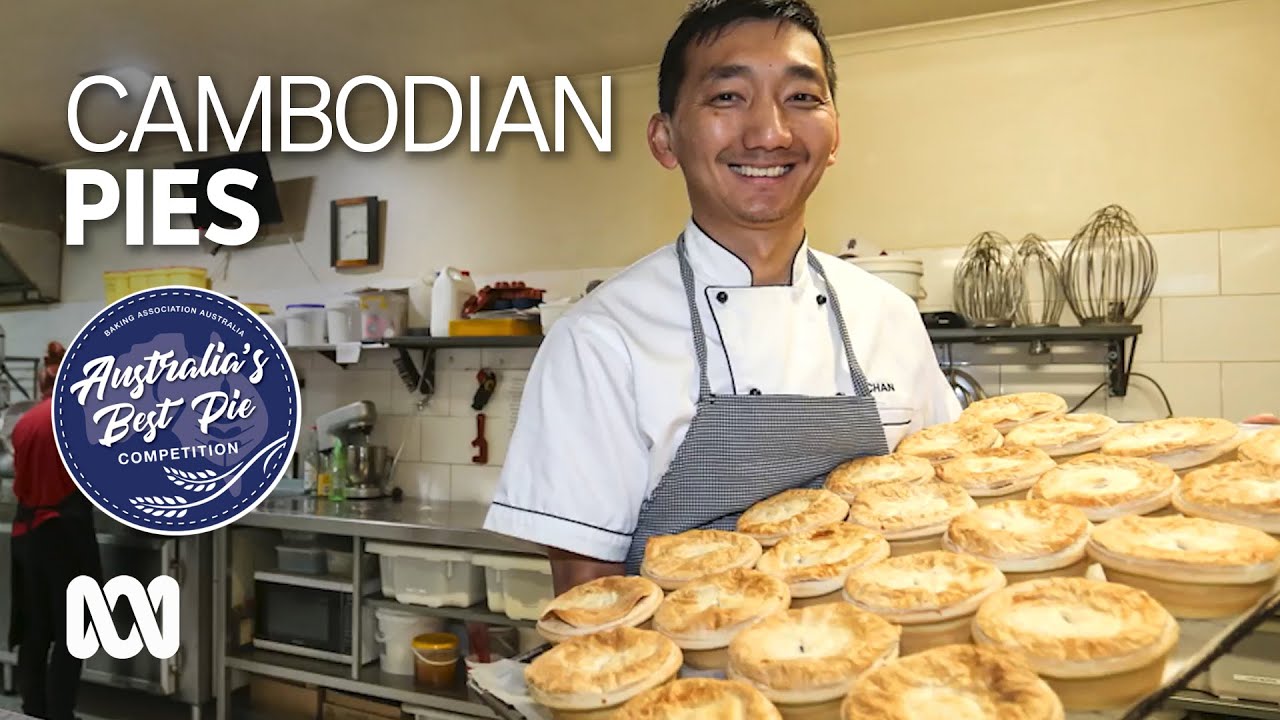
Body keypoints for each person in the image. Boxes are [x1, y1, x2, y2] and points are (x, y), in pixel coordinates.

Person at [483, 0, 959, 594]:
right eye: (728, 97)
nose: (769, 133)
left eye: (802, 98)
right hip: (680, 686)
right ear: (665, 140)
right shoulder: (600, 340)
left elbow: (947, 516)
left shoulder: (889, 316)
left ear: (835, 135)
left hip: (879, 677)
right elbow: (590, 614)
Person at [9, 341, 103, 720]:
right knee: (72, 632)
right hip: (65, 537)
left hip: (27, 533)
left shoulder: (24, 422)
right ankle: (61, 712)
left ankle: (33, 710)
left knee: (36, 629)